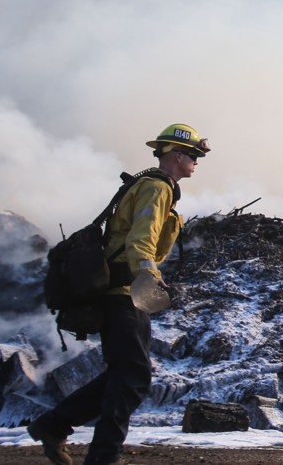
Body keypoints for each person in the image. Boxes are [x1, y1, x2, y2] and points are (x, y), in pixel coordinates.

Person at [28, 124, 210, 465]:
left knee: (123, 374)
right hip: (126, 293)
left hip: (121, 291)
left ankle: (53, 426)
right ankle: (103, 457)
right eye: (195, 155)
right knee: (132, 376)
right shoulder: (157, 188)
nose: (198, 162)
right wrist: (148, 275)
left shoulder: (151, 186)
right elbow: (141, 239)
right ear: (177, 155)